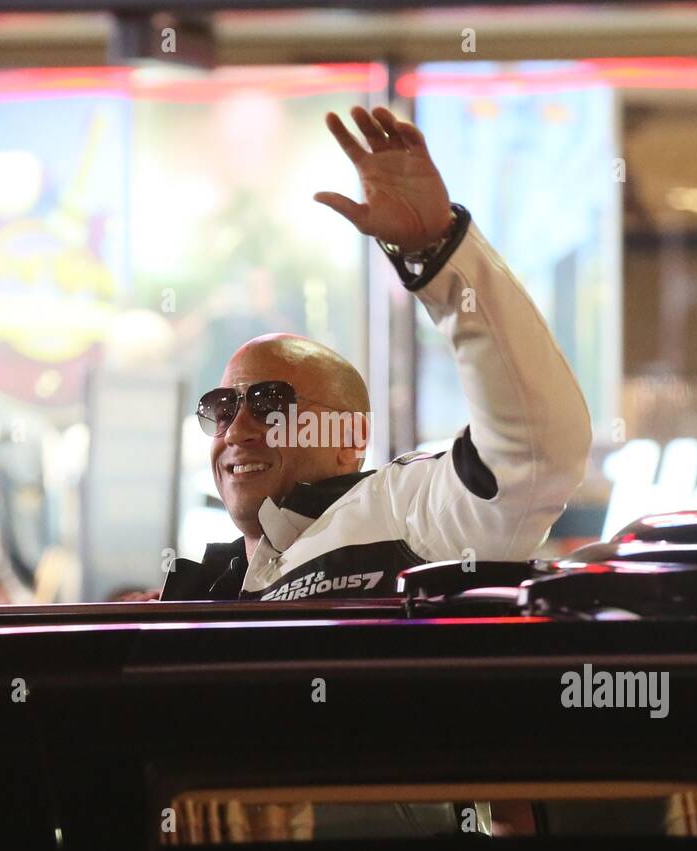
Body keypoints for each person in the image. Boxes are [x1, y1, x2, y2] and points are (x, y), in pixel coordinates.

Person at [160, 106, 591, 601]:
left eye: (268, 403)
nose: (236, 429)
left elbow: (536, 450)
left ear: (350, 437)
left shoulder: (399, 509)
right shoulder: (210, 585)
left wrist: (439, 251)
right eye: (222, 407)